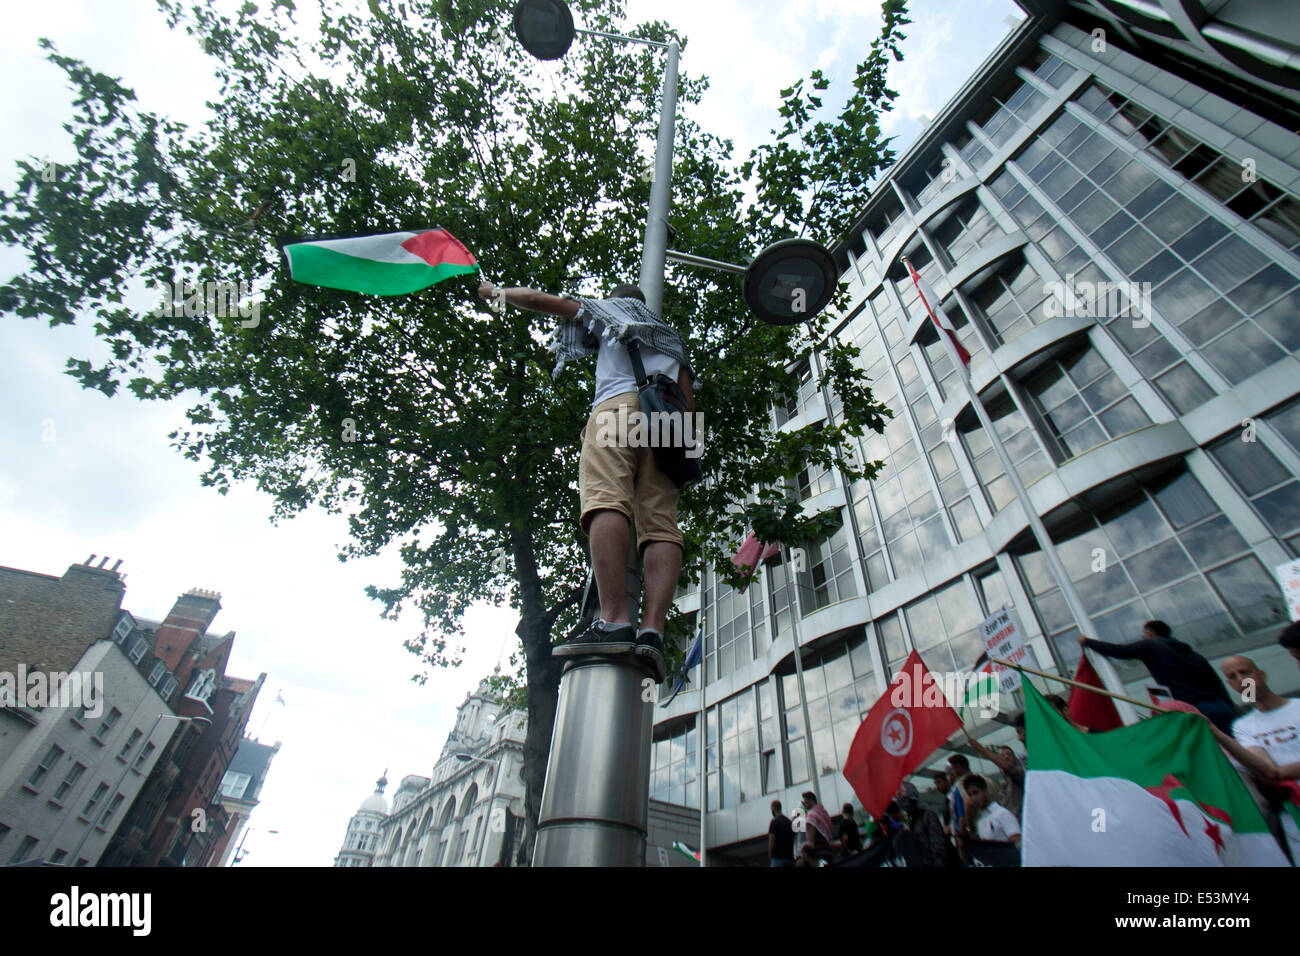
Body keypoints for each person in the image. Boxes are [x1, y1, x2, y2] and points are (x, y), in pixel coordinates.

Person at [476, 282, 696, 675]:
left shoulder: (610, 313)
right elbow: (687, 398)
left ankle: (613, 621)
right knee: (661, 523)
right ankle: (652, 632)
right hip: (669, 425)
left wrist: (499, 293)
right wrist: (685, 449)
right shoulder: (671, 339)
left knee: (606, 499)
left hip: (617, 410)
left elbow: (544, 301)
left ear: (616, 298)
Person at [1077, 620, 1236, 733]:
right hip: (1221, 707)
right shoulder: (1193, 654)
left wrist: (1088, 642)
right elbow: (1218, 685)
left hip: (1192, 711)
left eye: (1143, 635)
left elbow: (1120, 651)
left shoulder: (1151, 645)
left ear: (1150, 634)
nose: (1142, 639)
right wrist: (1230, 709)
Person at [1217, 654, 1300, 861]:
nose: (1241, 679)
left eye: (1246, 672)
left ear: (1262, 674)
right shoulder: (1243, 726)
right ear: (1230, 685)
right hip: (1292, 811)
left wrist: (1278, 772)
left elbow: (1272, 772)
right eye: (1233, 676)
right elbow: (1266, 771)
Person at [963, 775, 1021, 846]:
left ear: (985, 791)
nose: (973, 798)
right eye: (970, 795)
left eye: (976, 793)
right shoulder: (979, 821)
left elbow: (1017, 842)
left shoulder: (1002, 814)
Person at [800, 791, 835, 864]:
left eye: (805, 802)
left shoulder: (812, 816)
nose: (804, 805)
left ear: (810, 800)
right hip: (829, 853)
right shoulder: (824, 813)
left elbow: (810, 843)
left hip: (818, 856)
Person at [768, 800, 795, 867]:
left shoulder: (774, 822)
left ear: (773, 809)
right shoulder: (789, 822)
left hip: (777, 859)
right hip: (789, 859)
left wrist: (771, 856)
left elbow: (771, 841)